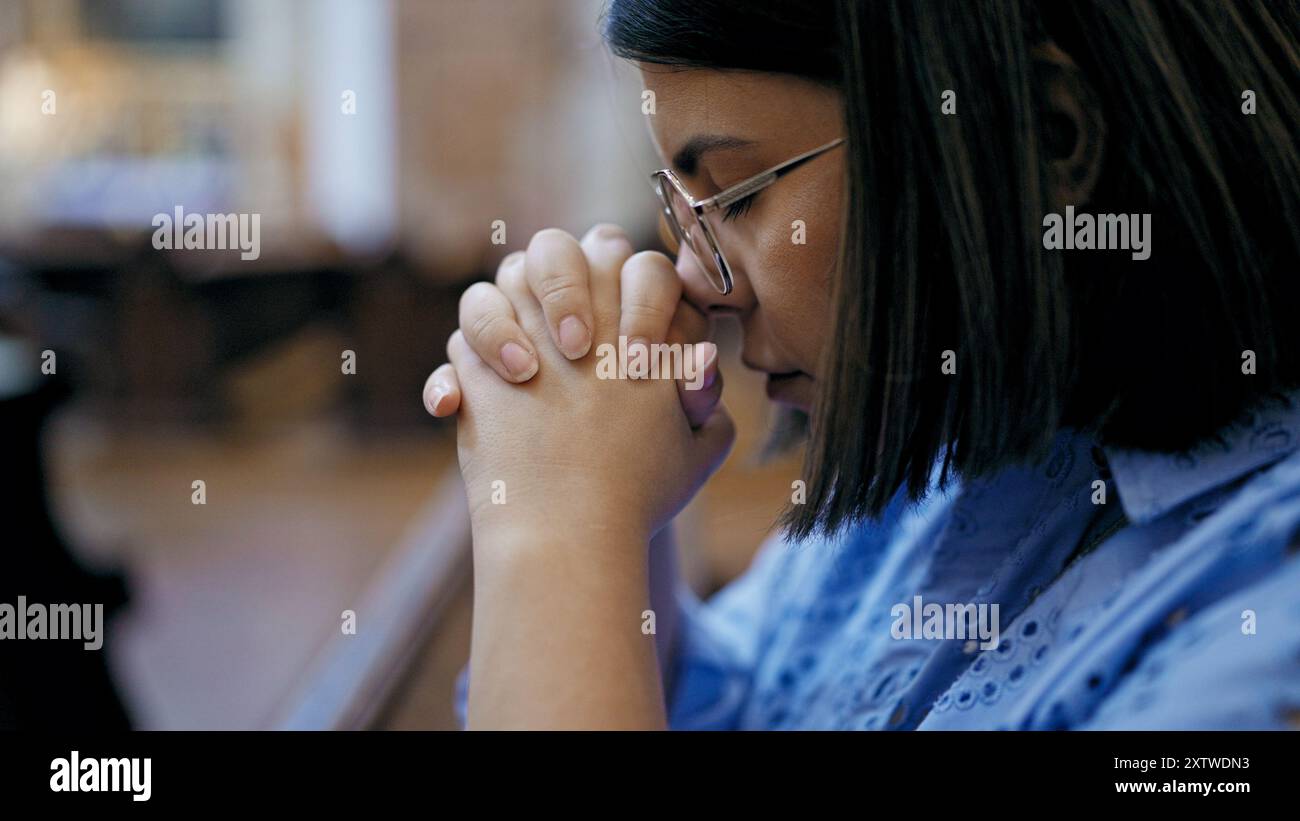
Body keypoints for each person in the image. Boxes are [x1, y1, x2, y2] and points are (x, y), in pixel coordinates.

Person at [422, 0, 1300, 729]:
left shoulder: (1264, 637)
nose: (694, 276)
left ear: (1049, 133)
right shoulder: (960, 448)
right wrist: (603, 515)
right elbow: (733, 701)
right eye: (682, 208)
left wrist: (557, 533)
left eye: (739, 191)